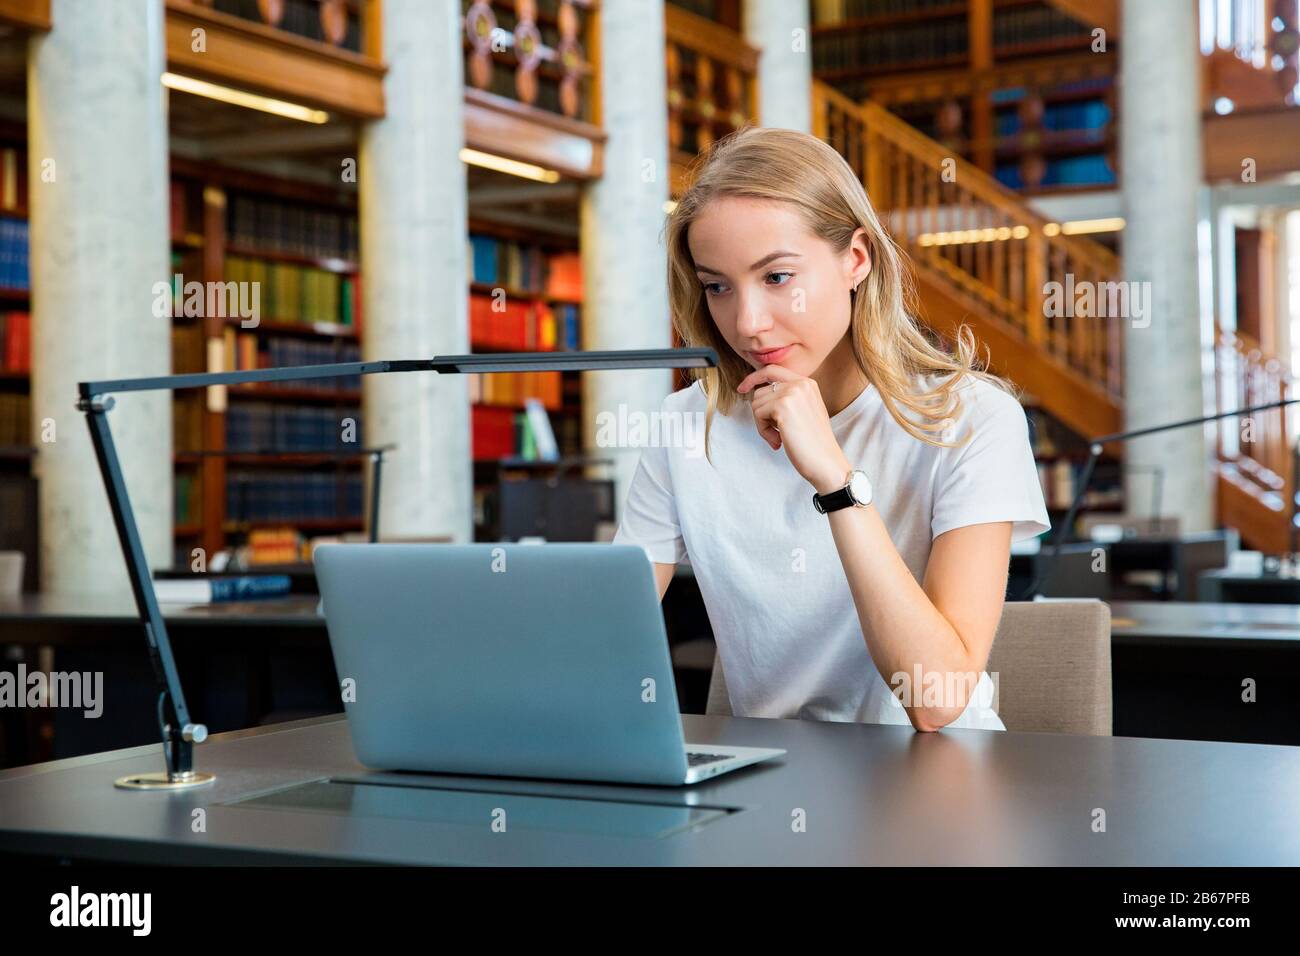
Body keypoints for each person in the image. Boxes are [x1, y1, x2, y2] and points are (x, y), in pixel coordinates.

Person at [612, 127, 1050, 731]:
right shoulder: (688, 427)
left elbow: (935, 699)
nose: (748, 322)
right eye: (717, 286)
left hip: (935, 786)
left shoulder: (973, 419)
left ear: (856, 259)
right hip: (775, 785)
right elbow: (606, 634)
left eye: (777, 277)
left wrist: (836, 481)